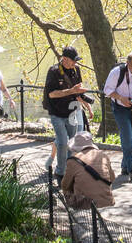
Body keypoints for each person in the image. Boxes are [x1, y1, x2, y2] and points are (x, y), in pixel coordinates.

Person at [102, 51, 132, 180]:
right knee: (127, 137)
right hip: (120, 108)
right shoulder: (117, 72)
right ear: (127, 63)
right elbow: (107, 90)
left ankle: (125, 165)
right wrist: (120, 98)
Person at [43, 46, 87, 181]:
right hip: (56, 113)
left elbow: (77, 90)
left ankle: (69, 169)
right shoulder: (54, 71)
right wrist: (70, 91)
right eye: (73, 60)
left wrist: (86, 102)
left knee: (72, 143)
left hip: (71, 111)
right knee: (62, 142)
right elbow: (51, 94)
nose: (75, 63)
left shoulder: (76, 70)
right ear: (65, 59)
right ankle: (60, 172)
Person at [60, 132, 116, 209]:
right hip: (107, 202)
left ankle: (74, 212)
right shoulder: (103, 155)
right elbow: (112, 178)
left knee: (68, 188)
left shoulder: (73, 160)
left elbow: (65, 185)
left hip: (85, 204)